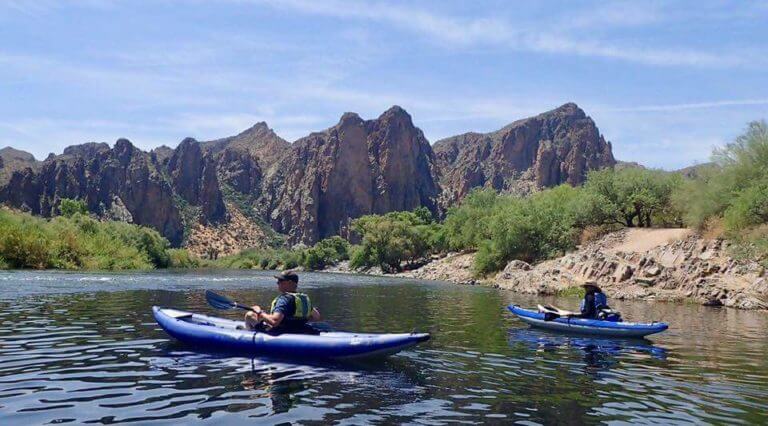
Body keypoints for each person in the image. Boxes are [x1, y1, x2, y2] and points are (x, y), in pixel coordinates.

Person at [244, 270, 322, 335]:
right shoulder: (303, 299)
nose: (277, 283)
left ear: (290, 283)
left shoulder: (284, 299)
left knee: (250, 315)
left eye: (280, 281)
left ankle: (249, 337)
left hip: (282, 332)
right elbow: (316, 317)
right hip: (300, 329)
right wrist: (297, 320)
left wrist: (259, 312)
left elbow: (274, 321)